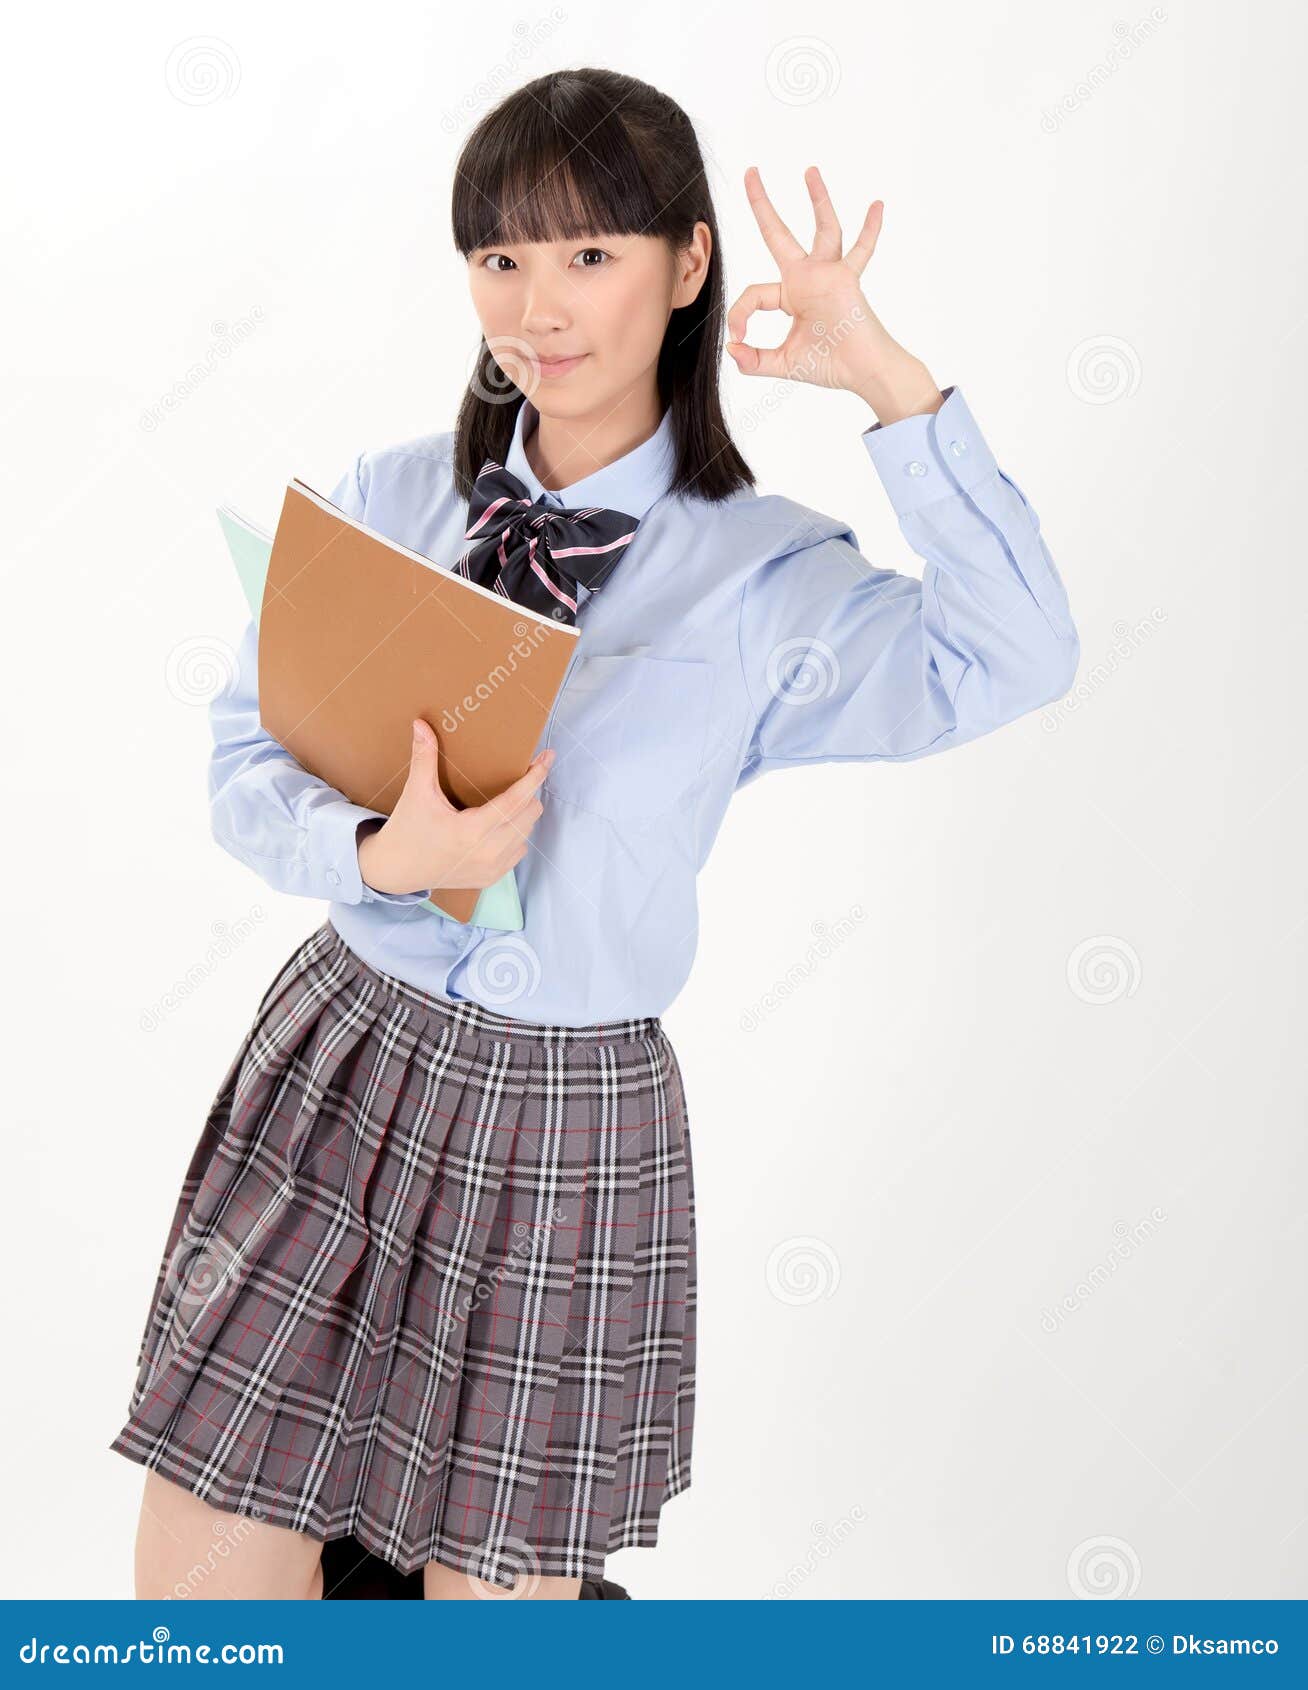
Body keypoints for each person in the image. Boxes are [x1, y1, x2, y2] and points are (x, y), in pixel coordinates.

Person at [110, 66, 1080, 1602]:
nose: (536, 306)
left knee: (487, 1614)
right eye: (500, 257)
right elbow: (244, 756)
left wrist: (885, 376)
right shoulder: (386, 499)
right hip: (342, 1061)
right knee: (204, 1597)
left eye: (589, 255)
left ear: (689, 267)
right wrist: (380, 855)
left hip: (565, 1121)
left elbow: (1015, 656)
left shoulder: (765, 582)